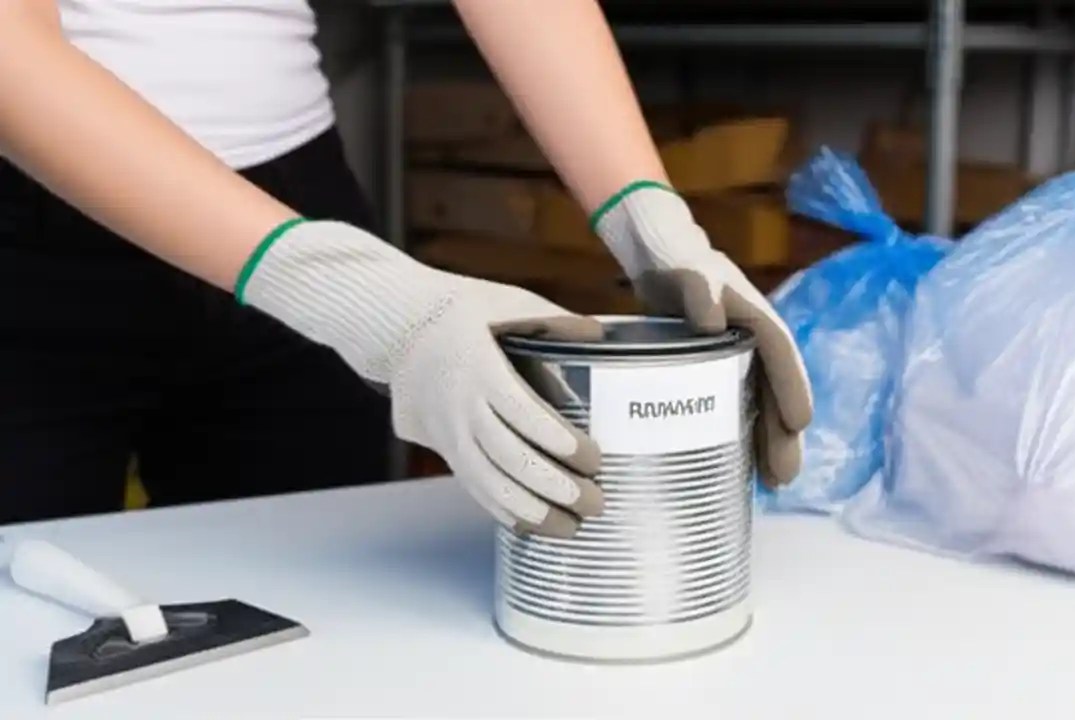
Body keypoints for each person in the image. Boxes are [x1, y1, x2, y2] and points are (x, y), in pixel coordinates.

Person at [0, 0, 813, 536]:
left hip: (296, 192)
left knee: (320, 627)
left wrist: (649, 219)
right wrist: (363, 296)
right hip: (32, 220)